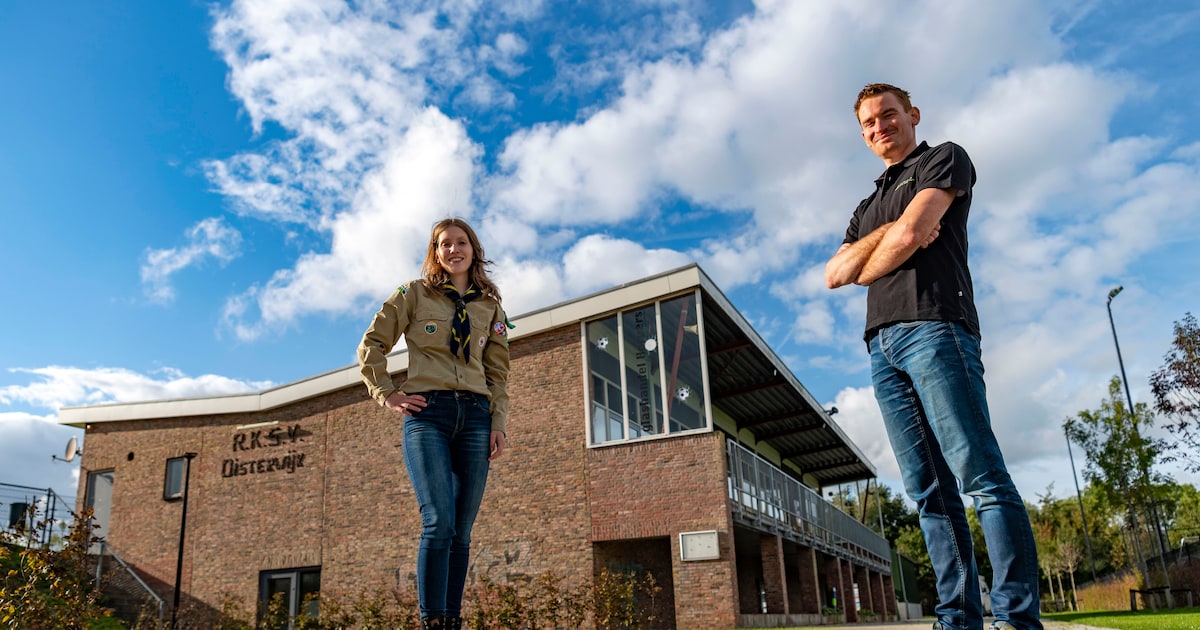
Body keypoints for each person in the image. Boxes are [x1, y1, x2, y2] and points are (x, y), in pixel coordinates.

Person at [825, 84, 1042, 630]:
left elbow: (915, 232)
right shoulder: (865, 206)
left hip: (936, 327)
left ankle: (1015, 619)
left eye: (889, 114)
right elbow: (837, 273)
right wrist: (891, 234)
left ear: (912, 114)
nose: (880, 126)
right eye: (869, 122)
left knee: (980, 475)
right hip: (881, 348)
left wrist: (884, 248)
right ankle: (957, 619)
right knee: (929, 495)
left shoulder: (943, 158)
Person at [357, 218, 510, 630]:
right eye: (445, 244)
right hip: (429, 416)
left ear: (474, 250)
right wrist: (387, 393)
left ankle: (452, 620)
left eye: (461, 242)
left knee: (461, 531)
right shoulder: (413, 293)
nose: (454, 250)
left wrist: (498, 422)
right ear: (435, 252)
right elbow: (371, 344)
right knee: (438, 520)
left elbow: (498, 372)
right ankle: (432, 621)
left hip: (476, 418)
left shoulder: (491, 307)